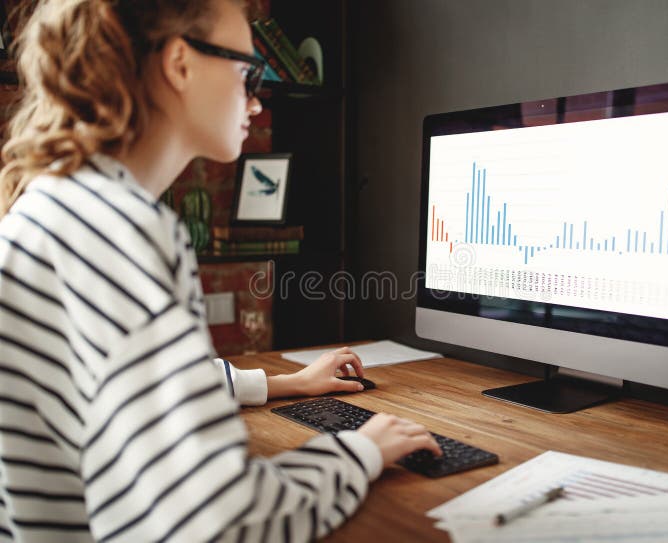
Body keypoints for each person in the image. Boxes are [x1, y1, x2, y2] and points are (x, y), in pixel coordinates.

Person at [0, 1, 441, 541]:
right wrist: (361, 451)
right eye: (247, 71)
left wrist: (286, 383)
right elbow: (222, 520)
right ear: (180, 64)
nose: (255, 102)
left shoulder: (57, 205)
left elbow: (130, 379)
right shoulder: (124, 230)